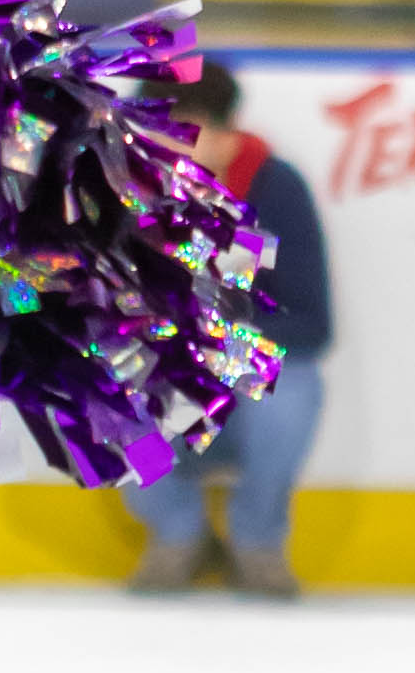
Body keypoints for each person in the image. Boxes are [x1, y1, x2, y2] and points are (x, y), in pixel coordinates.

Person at [133, 66, 330, 595]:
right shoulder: (123, 191)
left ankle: (257, 541)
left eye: (184, 134)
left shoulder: (275, 190)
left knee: (295, 388)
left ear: (226, 133)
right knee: (97, 389)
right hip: (160, 378)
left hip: (241, 376)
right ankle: (179, 535)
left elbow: (311, 322)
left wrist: (212, 339)